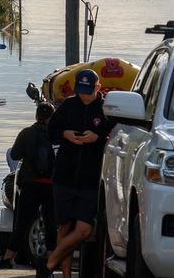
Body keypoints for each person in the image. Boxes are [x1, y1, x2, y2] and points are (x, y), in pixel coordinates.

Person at [38, 69, 114, 278]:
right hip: (65, 175)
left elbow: (116, 138)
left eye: (88, 92)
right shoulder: (68, 106)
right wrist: (66, 134)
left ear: (98, 88)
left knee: (84, 229)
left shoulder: (106, 109)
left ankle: (49, 263)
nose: (84, 96)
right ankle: (66, 275)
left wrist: (97, 139)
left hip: (91, 178)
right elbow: (51, 132)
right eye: (81, 91)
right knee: (64, 227)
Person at [0, 102, 56, 269]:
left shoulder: (27, 133)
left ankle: (7, 258)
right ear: (52, 117)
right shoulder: (56, 135)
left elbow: (14, 154)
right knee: (50, 223)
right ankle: (51, 261)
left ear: (36, 116)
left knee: (22, 223)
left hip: (31, 184)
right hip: (51, 185)